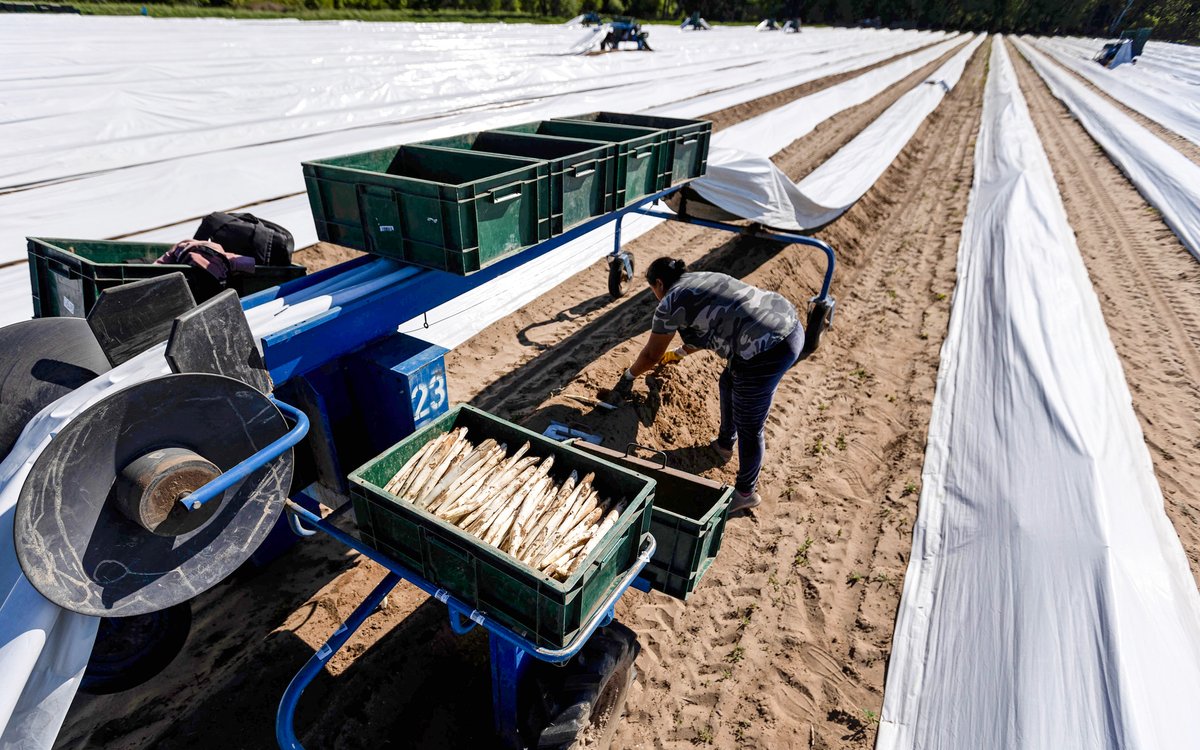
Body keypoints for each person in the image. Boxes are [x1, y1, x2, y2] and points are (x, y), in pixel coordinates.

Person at [604, 257, 804, 514]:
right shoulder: (702, 278)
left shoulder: (670, 302)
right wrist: (679, 353)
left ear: (659, 283)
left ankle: (746, 493)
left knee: (750, 423)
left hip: (768, 348)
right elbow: (711, 327)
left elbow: (652, 355)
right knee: (729, 380)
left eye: (653, 290)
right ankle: (724, 445)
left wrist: (629, 377)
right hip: (788, 324)